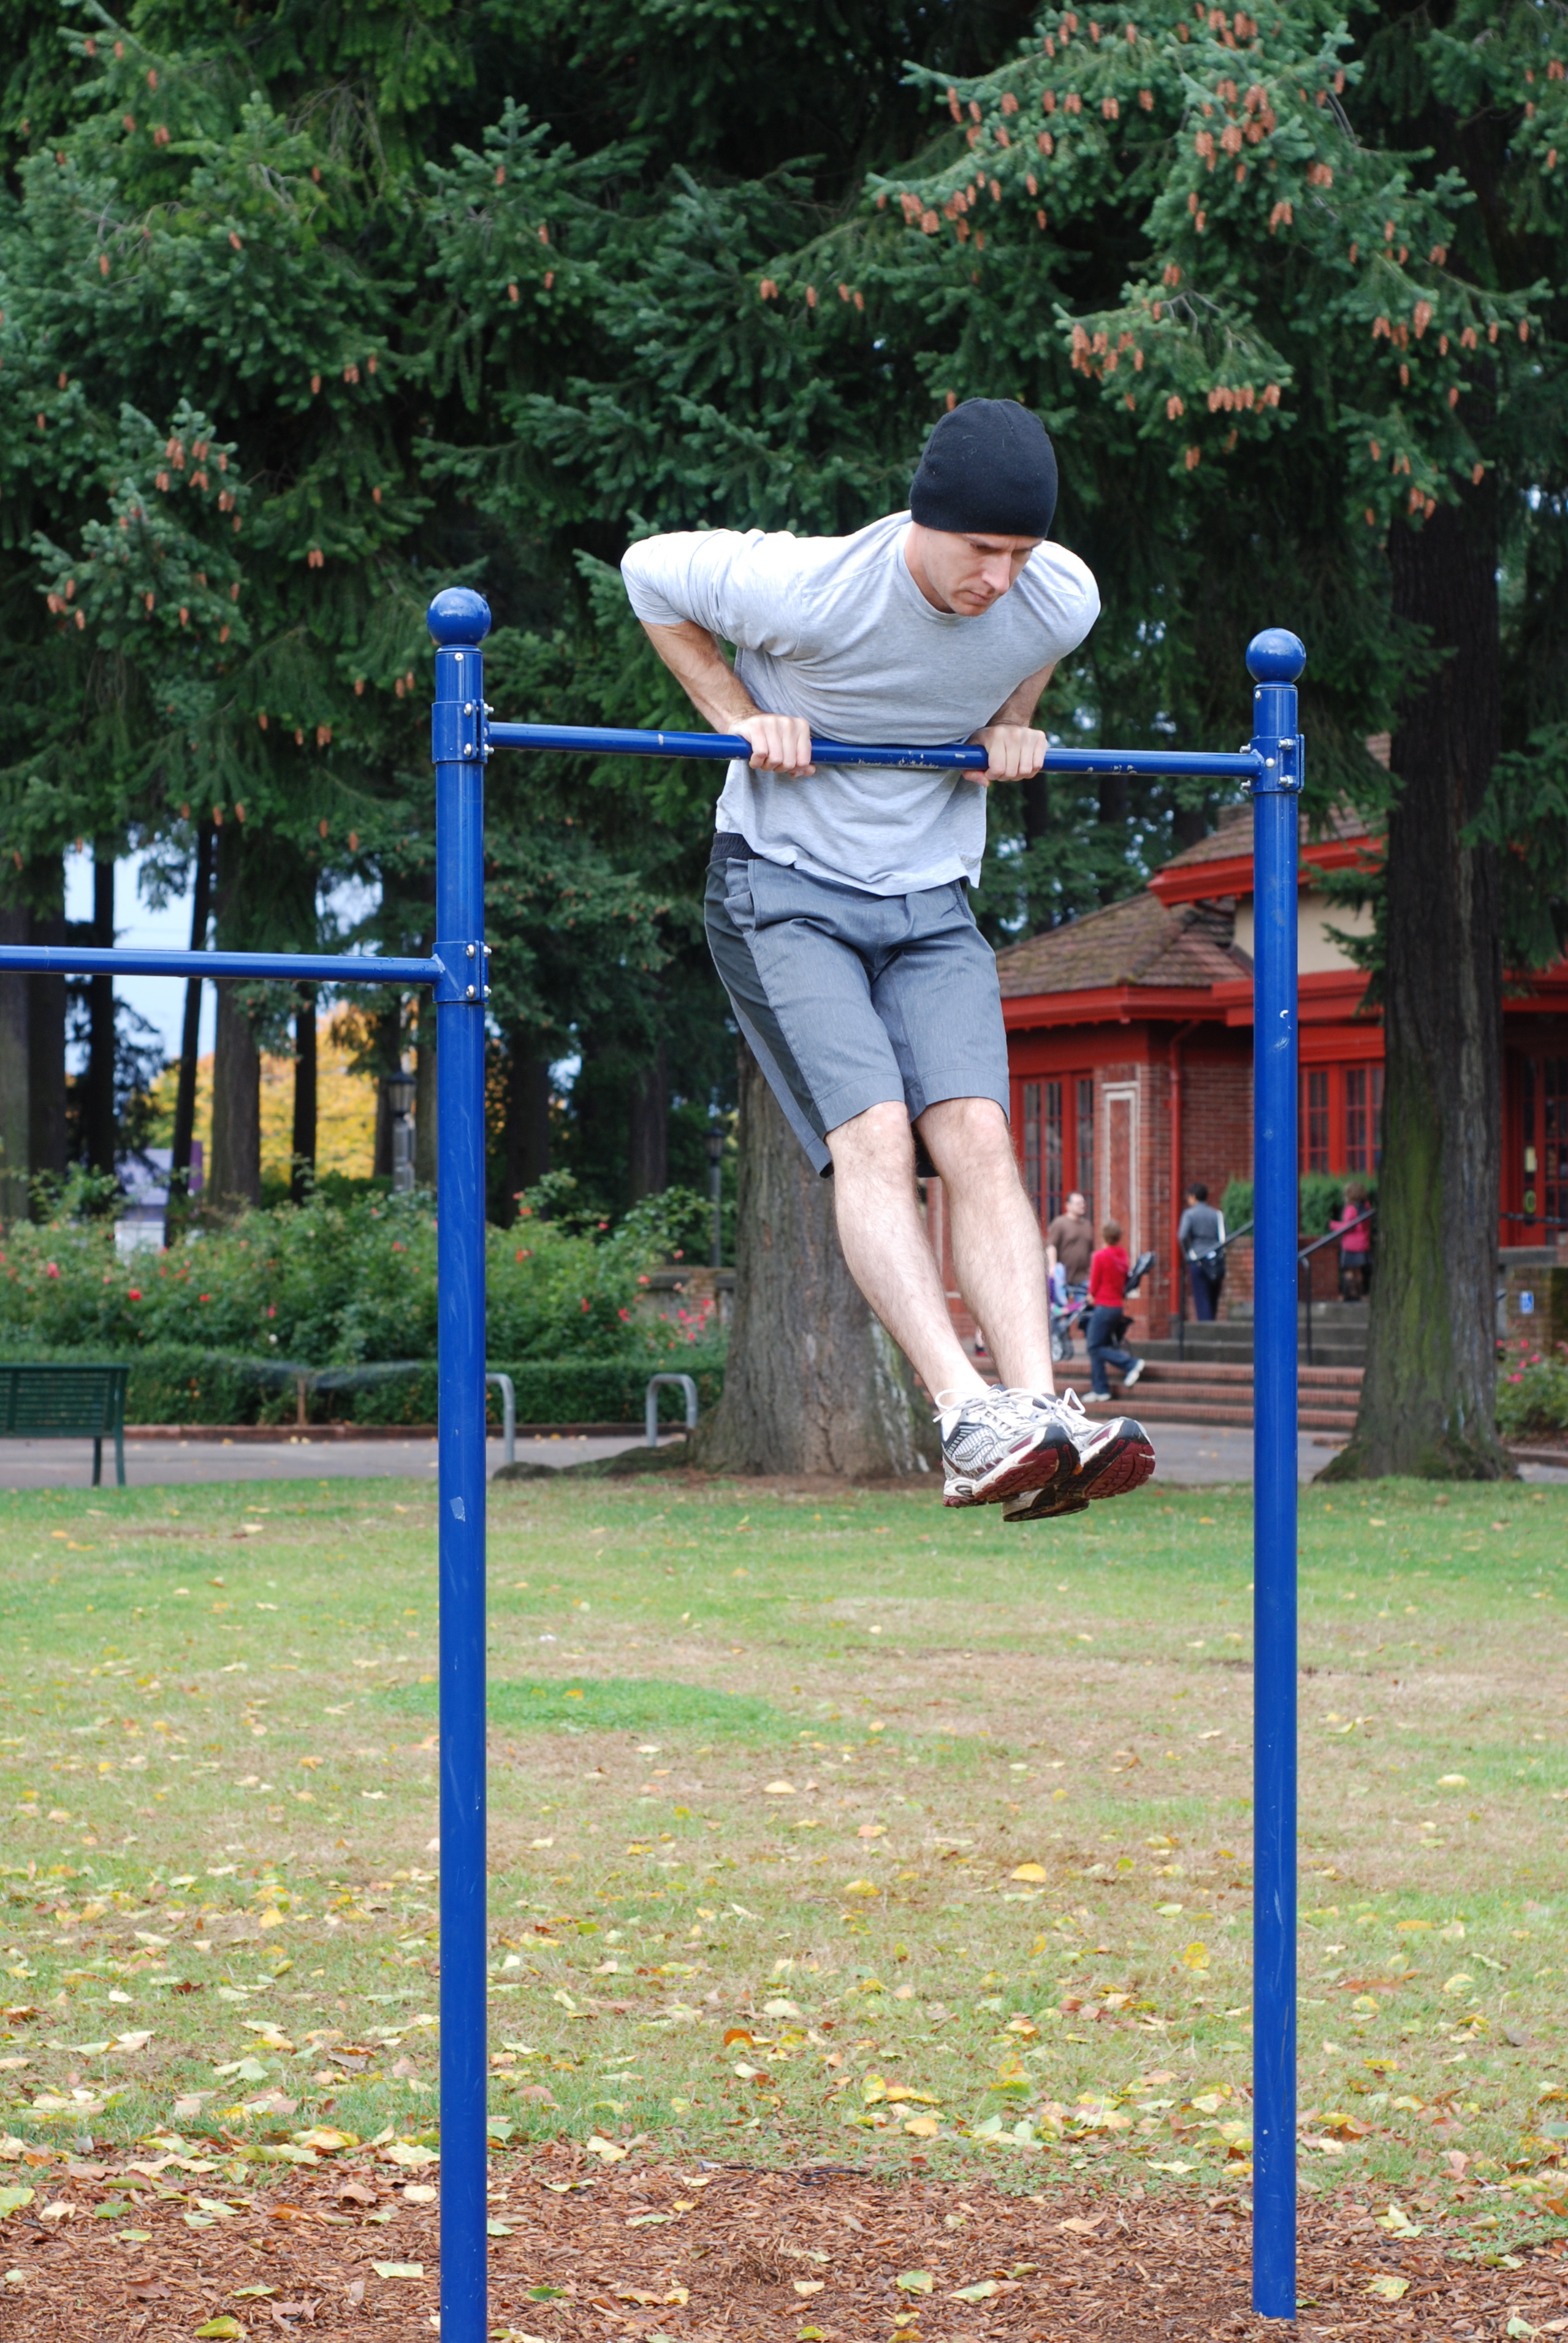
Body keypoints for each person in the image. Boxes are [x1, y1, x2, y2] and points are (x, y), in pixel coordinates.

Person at [620, 398, 1154, 1522]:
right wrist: (734, 713)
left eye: (1020, 553)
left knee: (977, 1135)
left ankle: (1037, 1410)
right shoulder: (807, 587)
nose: (999, 580)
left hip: (928, 899)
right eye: (981, 551)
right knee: (872, 1134)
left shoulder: (1056, 594)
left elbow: (1038, 640)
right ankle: (963, 1417)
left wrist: (1011, 718)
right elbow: (645, 572)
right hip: (783, 887)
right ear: (925, 521)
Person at [1085, 1219, 1147, 1403]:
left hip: (1103, 1306)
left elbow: (1094, 1283)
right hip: (1117, 1306)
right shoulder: (1122, 1255)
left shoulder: (1100, 1256)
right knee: (1098, 1347)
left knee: (1093, 1346)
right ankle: (1100, 1390)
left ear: (1103, 1236)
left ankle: (1131, 1364)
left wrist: (1091, 1295)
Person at [1176, 1181, 1226, 1321]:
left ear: (1193, 1197)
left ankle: (1206, 1327)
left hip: (1197, 1258)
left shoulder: (1189, 1215)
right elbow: (1224, 1238)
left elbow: (1182, 1236)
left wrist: (1188, 1253)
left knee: (1201, 1298)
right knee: (1213, 1297)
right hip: (1215, 1259)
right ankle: (1212, 1324)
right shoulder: (1217, 1215)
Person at [1332, 1179, 1372, 1300]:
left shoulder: (1351, 1209)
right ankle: (1361, 1294)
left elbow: (1347, 1226)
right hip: (1363, 1244)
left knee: (1349, 1272)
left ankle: (1348, 1294)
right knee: (1359, 1272)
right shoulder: (1366, 1207)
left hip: (1350, 1245)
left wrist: (1332, 1224)